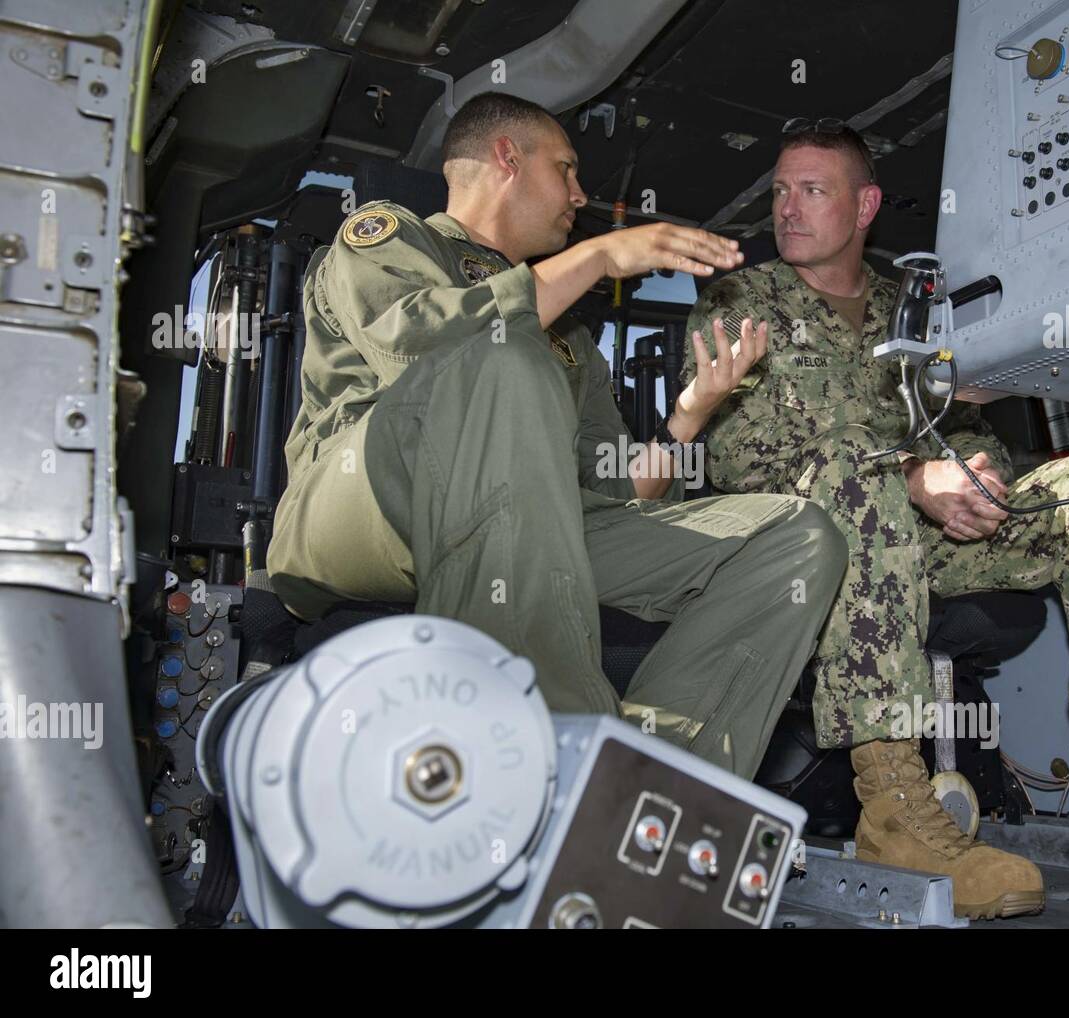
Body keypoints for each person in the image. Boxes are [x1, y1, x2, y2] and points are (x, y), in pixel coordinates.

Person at [684, 117, 1069, 915]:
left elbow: (958, 432)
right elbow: (740, 460)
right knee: (855, 467)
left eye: (812, 190)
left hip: (918, 544)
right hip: (802, 548)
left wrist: (973, 471)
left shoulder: (917, 315)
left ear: (865, 207)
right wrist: (913, 475)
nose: (787, 207)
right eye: (782, 191)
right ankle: (893, 803)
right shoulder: (742, 303)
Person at [266, 93, 848, 780]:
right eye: (566, 169)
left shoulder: (569, 334)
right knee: (503, 357)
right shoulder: (390, 234)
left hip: (531, 518)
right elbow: (426, 354)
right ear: (508, 157)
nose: (579, 194)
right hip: (362, 504)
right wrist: (598, 258)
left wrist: (692, 410)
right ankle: (555, 752)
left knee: (800, 538)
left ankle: (656, 784)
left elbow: (616, 487)